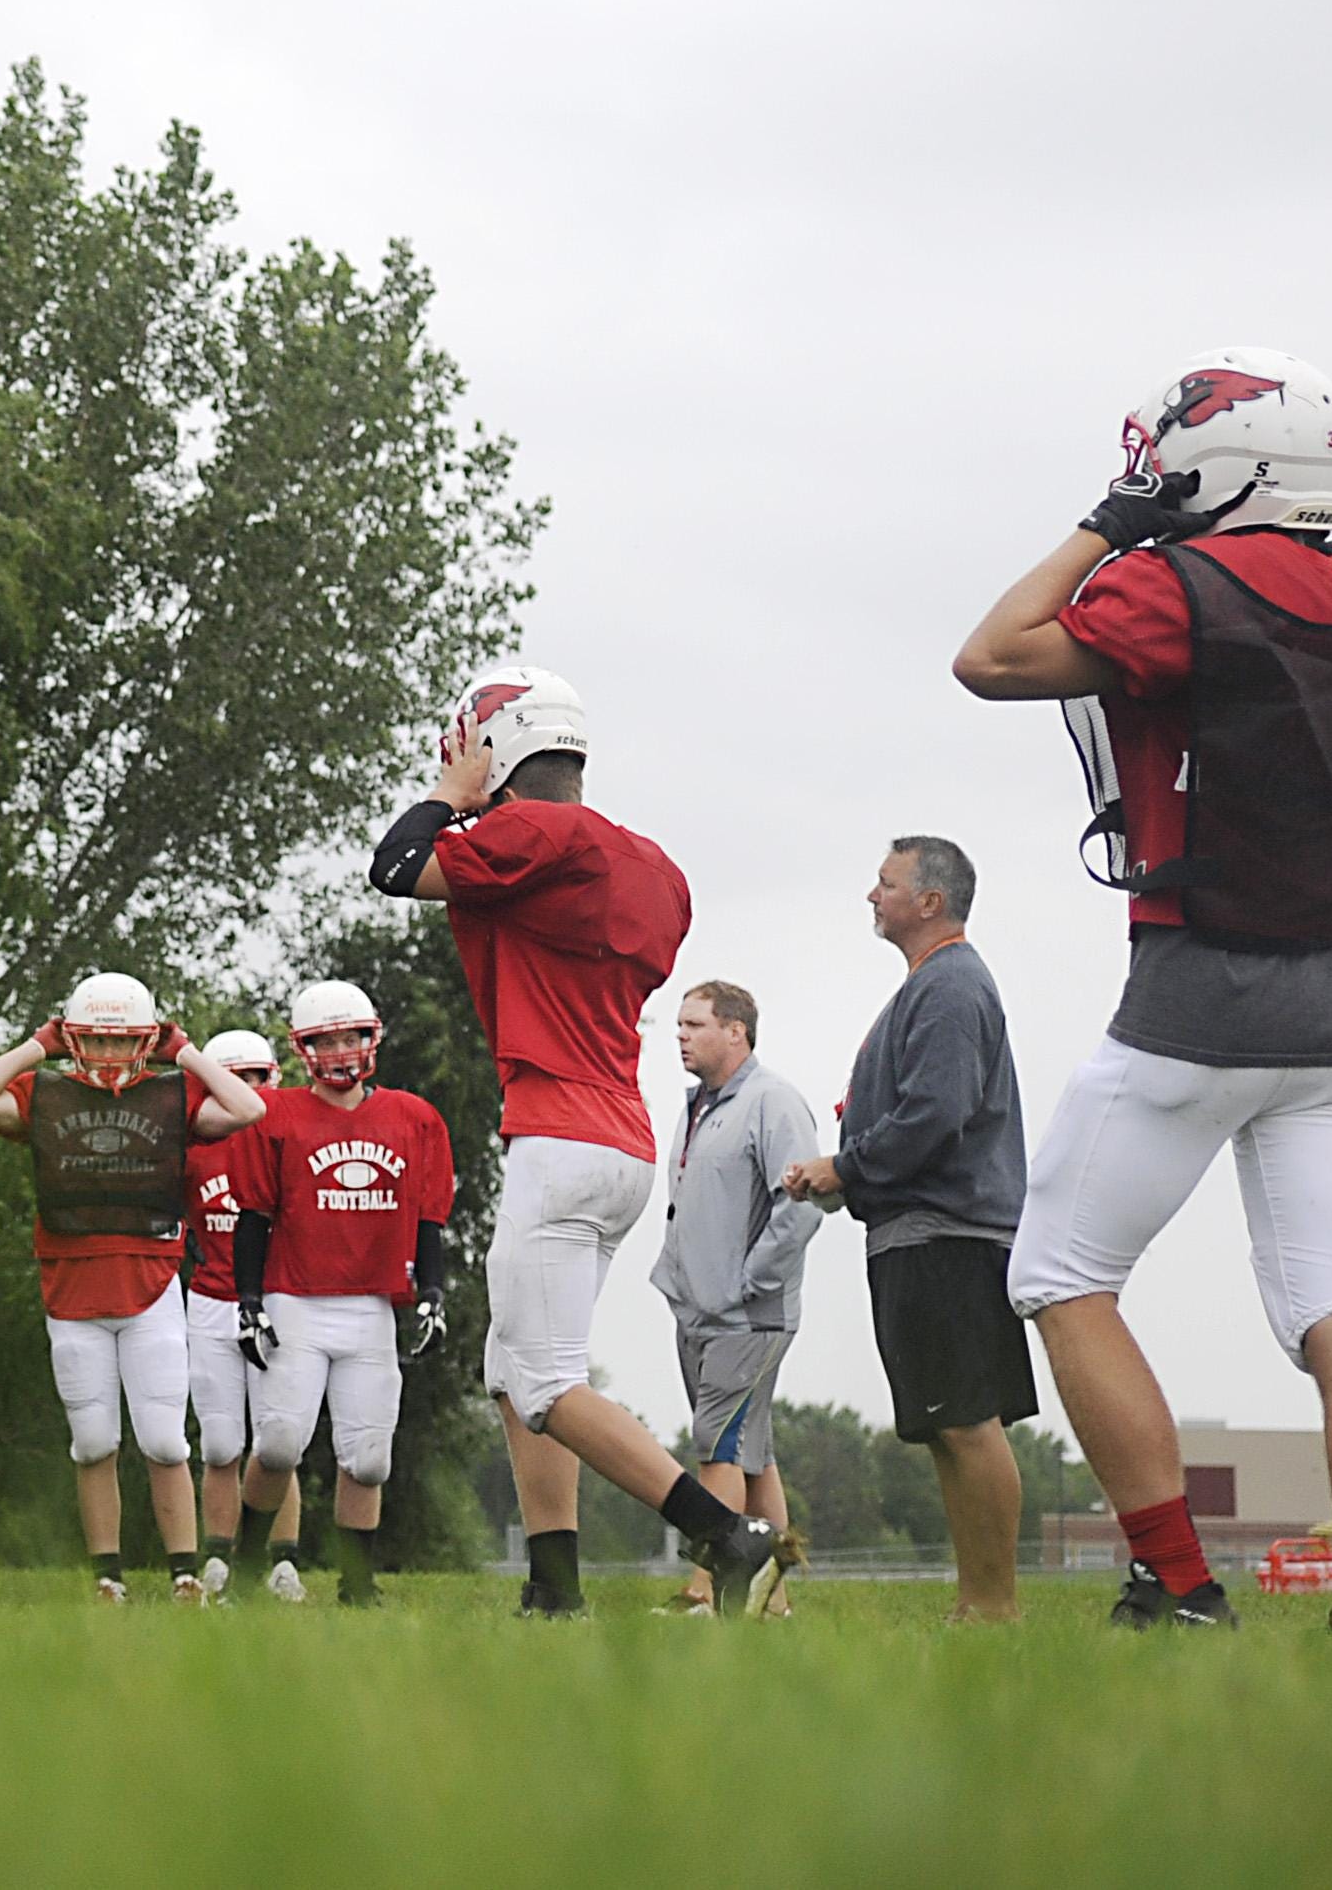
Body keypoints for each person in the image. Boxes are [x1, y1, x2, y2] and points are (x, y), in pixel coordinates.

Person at [954, 348, 1332, 1631]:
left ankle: (1174, 1582)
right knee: (1325, 1301)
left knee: (1060, 1266)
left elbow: (992, 654)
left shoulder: (1188, 580)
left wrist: (1104, 527)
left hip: (1205, 983)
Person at [368, 662, 798, 1617]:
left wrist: (452, 793)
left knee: (546, 1380)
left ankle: (727, 1536)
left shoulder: (528, 831)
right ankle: (552, 1586)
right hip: (621, 1142)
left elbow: (395, 864)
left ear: (496, 747)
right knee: (509, 1374)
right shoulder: (651, 863)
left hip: (557, 1137)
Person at [780, 842, 1035, 1620]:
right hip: (922, 1231)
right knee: (944, 1427)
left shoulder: (951, 983)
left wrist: (844, 1166)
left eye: (885, 883)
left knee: (964, 1421)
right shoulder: (930, 984)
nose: (870, 893)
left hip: (946, 1233)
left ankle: (992, 1606)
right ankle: (975, 1602)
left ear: (929, 901)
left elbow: (935, 1113)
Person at [0, 972, 267, 1601]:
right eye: (93, 1041)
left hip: (150, 1280)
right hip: (70, 1283)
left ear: (145, 1040)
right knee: (94, 1440)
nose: (106, 1055)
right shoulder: (44, 1091)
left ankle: (184, 1571)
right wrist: (36, 1045)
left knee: (161, 1437)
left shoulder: (171, 1091)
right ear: (72, 1040)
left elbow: (250, 1108)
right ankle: (108, 1573)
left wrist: (183, 1050)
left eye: (121, 1041)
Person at [231, 980, 455, 1608]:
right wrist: (249, 1302)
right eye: (322, 1039)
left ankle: (358, 1585)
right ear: (303, 1048)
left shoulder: (415, 1118)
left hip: (372, 1304)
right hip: (295, 1299)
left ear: (371, 1037)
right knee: (278, 1441)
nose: (338, 1050)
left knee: (370, 1457)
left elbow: (428, 1219)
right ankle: (248, 1568)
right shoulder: (275, 1115)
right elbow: (253, 1216)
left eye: (348, 1036)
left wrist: (432, 1291)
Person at [654, 978, 819, 1614]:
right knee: (753, 1453)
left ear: (735, 1031)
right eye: (679, 1026)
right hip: (695, 1312)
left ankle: (704, 1592)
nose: (681, 1036)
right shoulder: (697, 1104)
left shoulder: (773, 1101)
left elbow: (801, 1209)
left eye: (695, 1025)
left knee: (716, 1442)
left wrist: (751, 1282)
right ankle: (774, 1604)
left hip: (748, 1319)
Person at [182, 1027, 290, 1599]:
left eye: (255, 1077)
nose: (245, 1088)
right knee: (221, 1443)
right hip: (209, 1299)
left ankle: (282, 1559)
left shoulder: (284, 1140)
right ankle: (219, 1556)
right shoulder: (194, 1146)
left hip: (275, 1299)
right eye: (235, 1076)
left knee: (279, 1440)